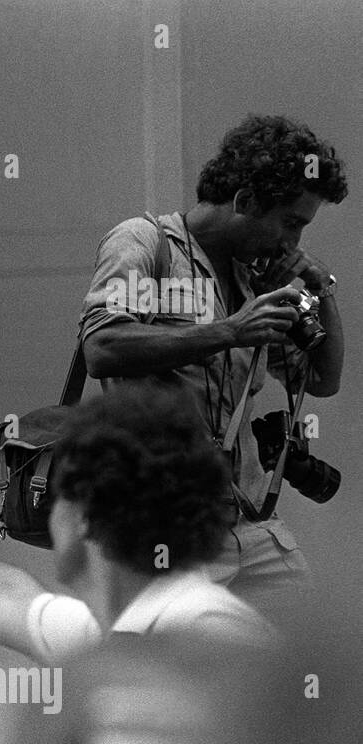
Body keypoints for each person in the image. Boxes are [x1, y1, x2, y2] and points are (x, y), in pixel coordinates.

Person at [79, 114, 347, 623]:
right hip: (164, 524)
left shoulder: (256, 276)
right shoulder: (145, 243)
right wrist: (229, 331)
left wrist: (321, 288)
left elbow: (320, 381)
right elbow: (102, 347)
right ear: (245, 200)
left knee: (303, 663)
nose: (292, 242)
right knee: (183, 678)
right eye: (291, 222)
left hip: (248, 518)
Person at [0, 386, 272, 662]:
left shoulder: (209, 634)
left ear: (84, 517)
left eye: (56, 503)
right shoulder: (123, 625)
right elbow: (5, 599)